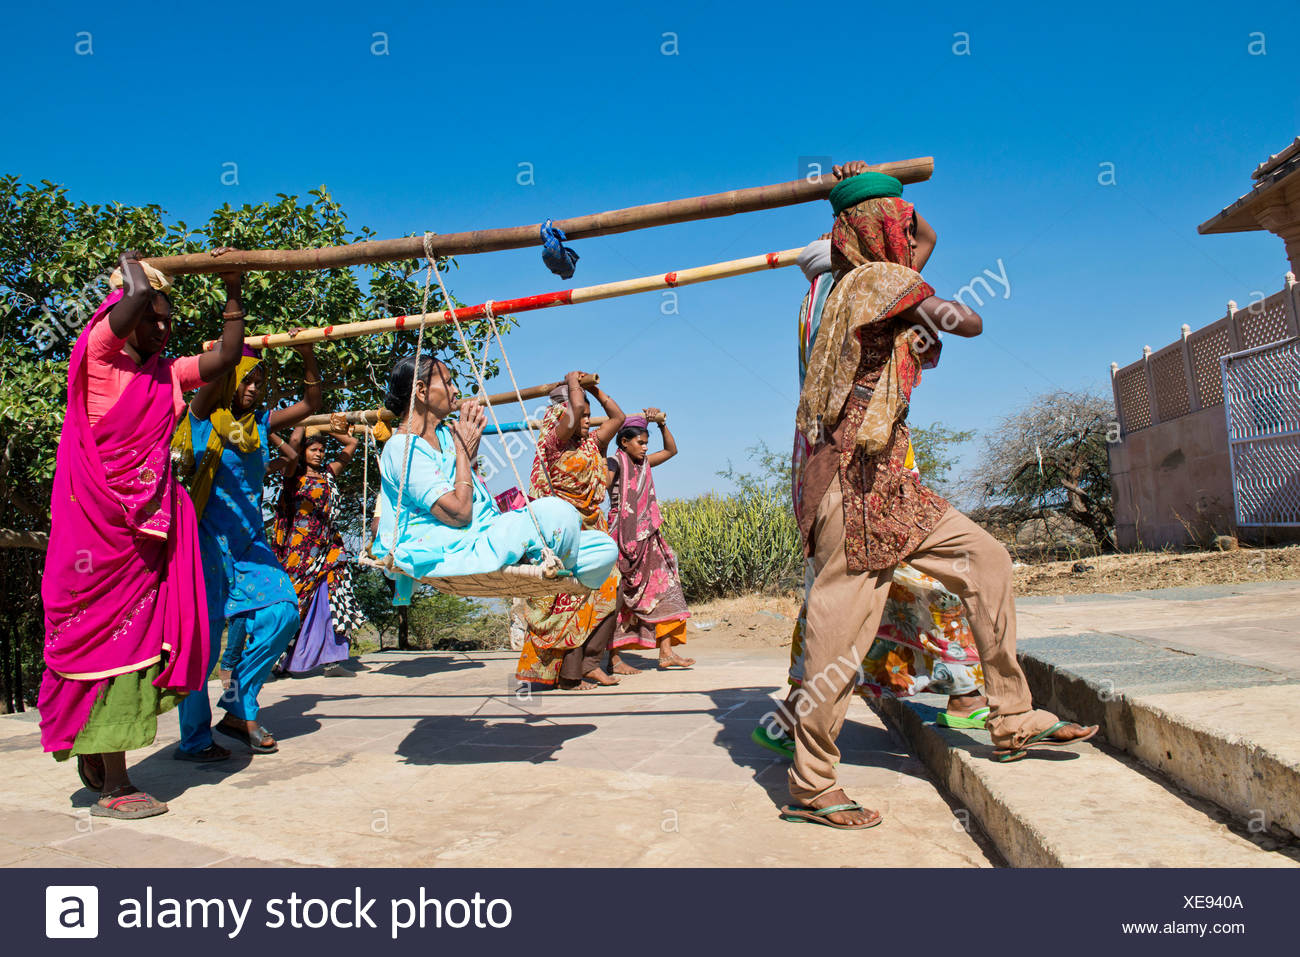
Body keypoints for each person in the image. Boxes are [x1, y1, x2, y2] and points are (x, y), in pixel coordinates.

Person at [782, 163, 1096, 830]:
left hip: (894, 483)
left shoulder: (855, 281)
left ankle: (1011, 716)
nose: (908, 232)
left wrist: (871, 182)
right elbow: (965, 320)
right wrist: (935, 290)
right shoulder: (876, 283)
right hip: (851, 486)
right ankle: (811, 783)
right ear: (880, 233)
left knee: (987, 560)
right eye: (897, 221)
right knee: (838, 637)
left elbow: (925, 238)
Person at [752, 232, 988, 759]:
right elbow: (927, 262)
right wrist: (860, 202)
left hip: (828, 464)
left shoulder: (816, 306)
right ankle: (963, 691)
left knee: (835, 595)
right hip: (866, 466)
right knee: (913, 581)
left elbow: (909, 256)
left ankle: (794, 714)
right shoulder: (857, 294)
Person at [39, 249, 245, 819]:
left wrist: (233, 288)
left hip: (145, 542)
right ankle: (113, 785)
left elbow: (227, 356)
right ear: (129, 315)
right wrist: (133, 263)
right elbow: (128, 299)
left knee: (140, 653)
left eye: (169, 321)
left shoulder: (166, 373)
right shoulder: (100, 353)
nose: (162, 328)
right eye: (154, 318)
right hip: (95, 538)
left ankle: (104, 763)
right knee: (105, 653)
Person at [174, 336, 323, 758]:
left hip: (249, 543)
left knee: (282, 612)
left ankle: (240, 706)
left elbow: (311, 402)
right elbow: (213, 378)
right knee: (202, 644)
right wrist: (230, 343)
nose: (255, 387)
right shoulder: (203, 416)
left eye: (261, 380)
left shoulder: (259, 425)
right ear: (229, 382)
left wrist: (308, 352)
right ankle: (195, 739)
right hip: (205, 543)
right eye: (247, 380)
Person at [371, 356, 617, 610]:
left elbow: (474, 492)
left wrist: (470, 452)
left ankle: (535, 553)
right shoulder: (403, 448)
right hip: (451, 548)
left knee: (605, 549)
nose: (456, 390)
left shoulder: (447, 435)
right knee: (559, 512)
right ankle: (533, 553)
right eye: (448, 383)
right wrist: (465, 453)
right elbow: (460, 514)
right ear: (421, 391)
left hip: (484, 532)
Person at [516, 370, 626, 690]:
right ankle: (569, 674)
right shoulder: (554, 442)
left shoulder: (591, 442)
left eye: (590, 416)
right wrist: (572, 381)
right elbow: (575, 409)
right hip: (564, 534)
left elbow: (617, 417)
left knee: (610, 588)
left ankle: (590, 663)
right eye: (583, 415)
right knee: (570, 599)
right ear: (560, 416)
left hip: (593, 529)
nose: (587, 421)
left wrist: (595, 390)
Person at [272, 419, 366, 678]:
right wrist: (304, 420)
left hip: (329, 547)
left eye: (322, 450)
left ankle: (333, 660)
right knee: (293, 603)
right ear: (302, 451)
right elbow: (291, 447)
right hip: (299, 551)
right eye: (313, 449)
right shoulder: (293, 474)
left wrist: (331, 428)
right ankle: (278, 660)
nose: (319, 453)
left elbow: (352, 443)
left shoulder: (328, 473)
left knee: (332, 597)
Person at [606, 409, 694, 673]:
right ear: (624, 442)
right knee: (617, 598)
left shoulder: (644, 464)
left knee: (666, 587)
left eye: (647, 443)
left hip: (649, 536)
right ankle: (613, 658)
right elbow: (601, 486)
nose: (645, 448)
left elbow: (671, 451)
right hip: (621, 537)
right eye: (640, 443)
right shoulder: (614, 462)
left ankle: (666, 652)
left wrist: (662, 424)